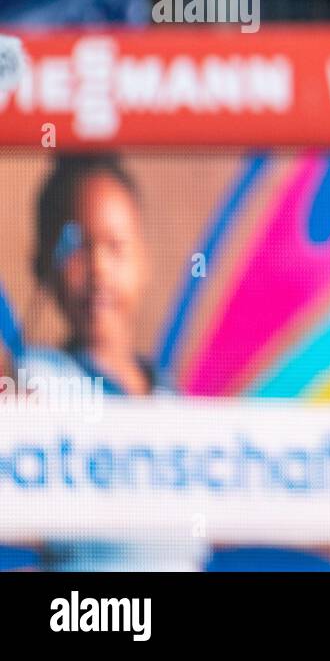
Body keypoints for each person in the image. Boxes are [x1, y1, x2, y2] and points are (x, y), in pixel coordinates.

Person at [21, 154, 209, 570]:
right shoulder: (39, 380)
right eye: (76, 247)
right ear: (43, 266)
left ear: (144, 260)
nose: (99, 269)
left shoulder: (174, 402)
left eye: (116, 246)